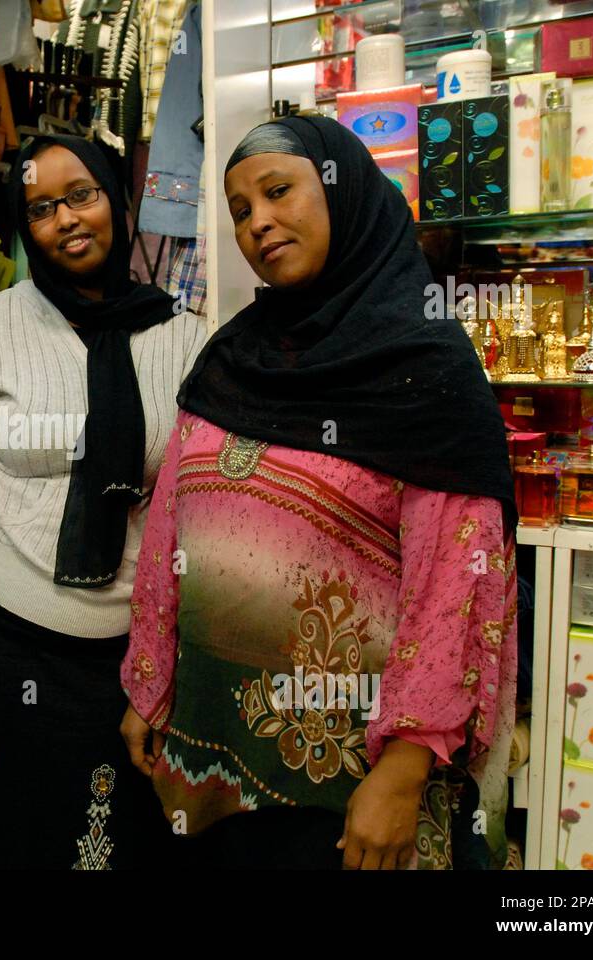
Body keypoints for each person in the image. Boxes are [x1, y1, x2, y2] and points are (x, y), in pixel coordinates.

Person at [119, 115, 518, 870]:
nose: (259, 221)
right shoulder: (232, 357)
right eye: (240, 210)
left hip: (353, 790)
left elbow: (457, 584)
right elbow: (168, 530)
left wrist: (403, 770)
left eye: (278, 192)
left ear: (347, 194)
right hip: (211, 758)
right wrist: (149, 679)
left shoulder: (427, 367)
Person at [0, 134, 207, 869]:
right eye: (41, 208)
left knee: (94, 836)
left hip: (116, 654)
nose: (66, 219)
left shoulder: (187, 340)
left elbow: (196, 514)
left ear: (116, 201)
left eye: (83, 195)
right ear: (24, 227)